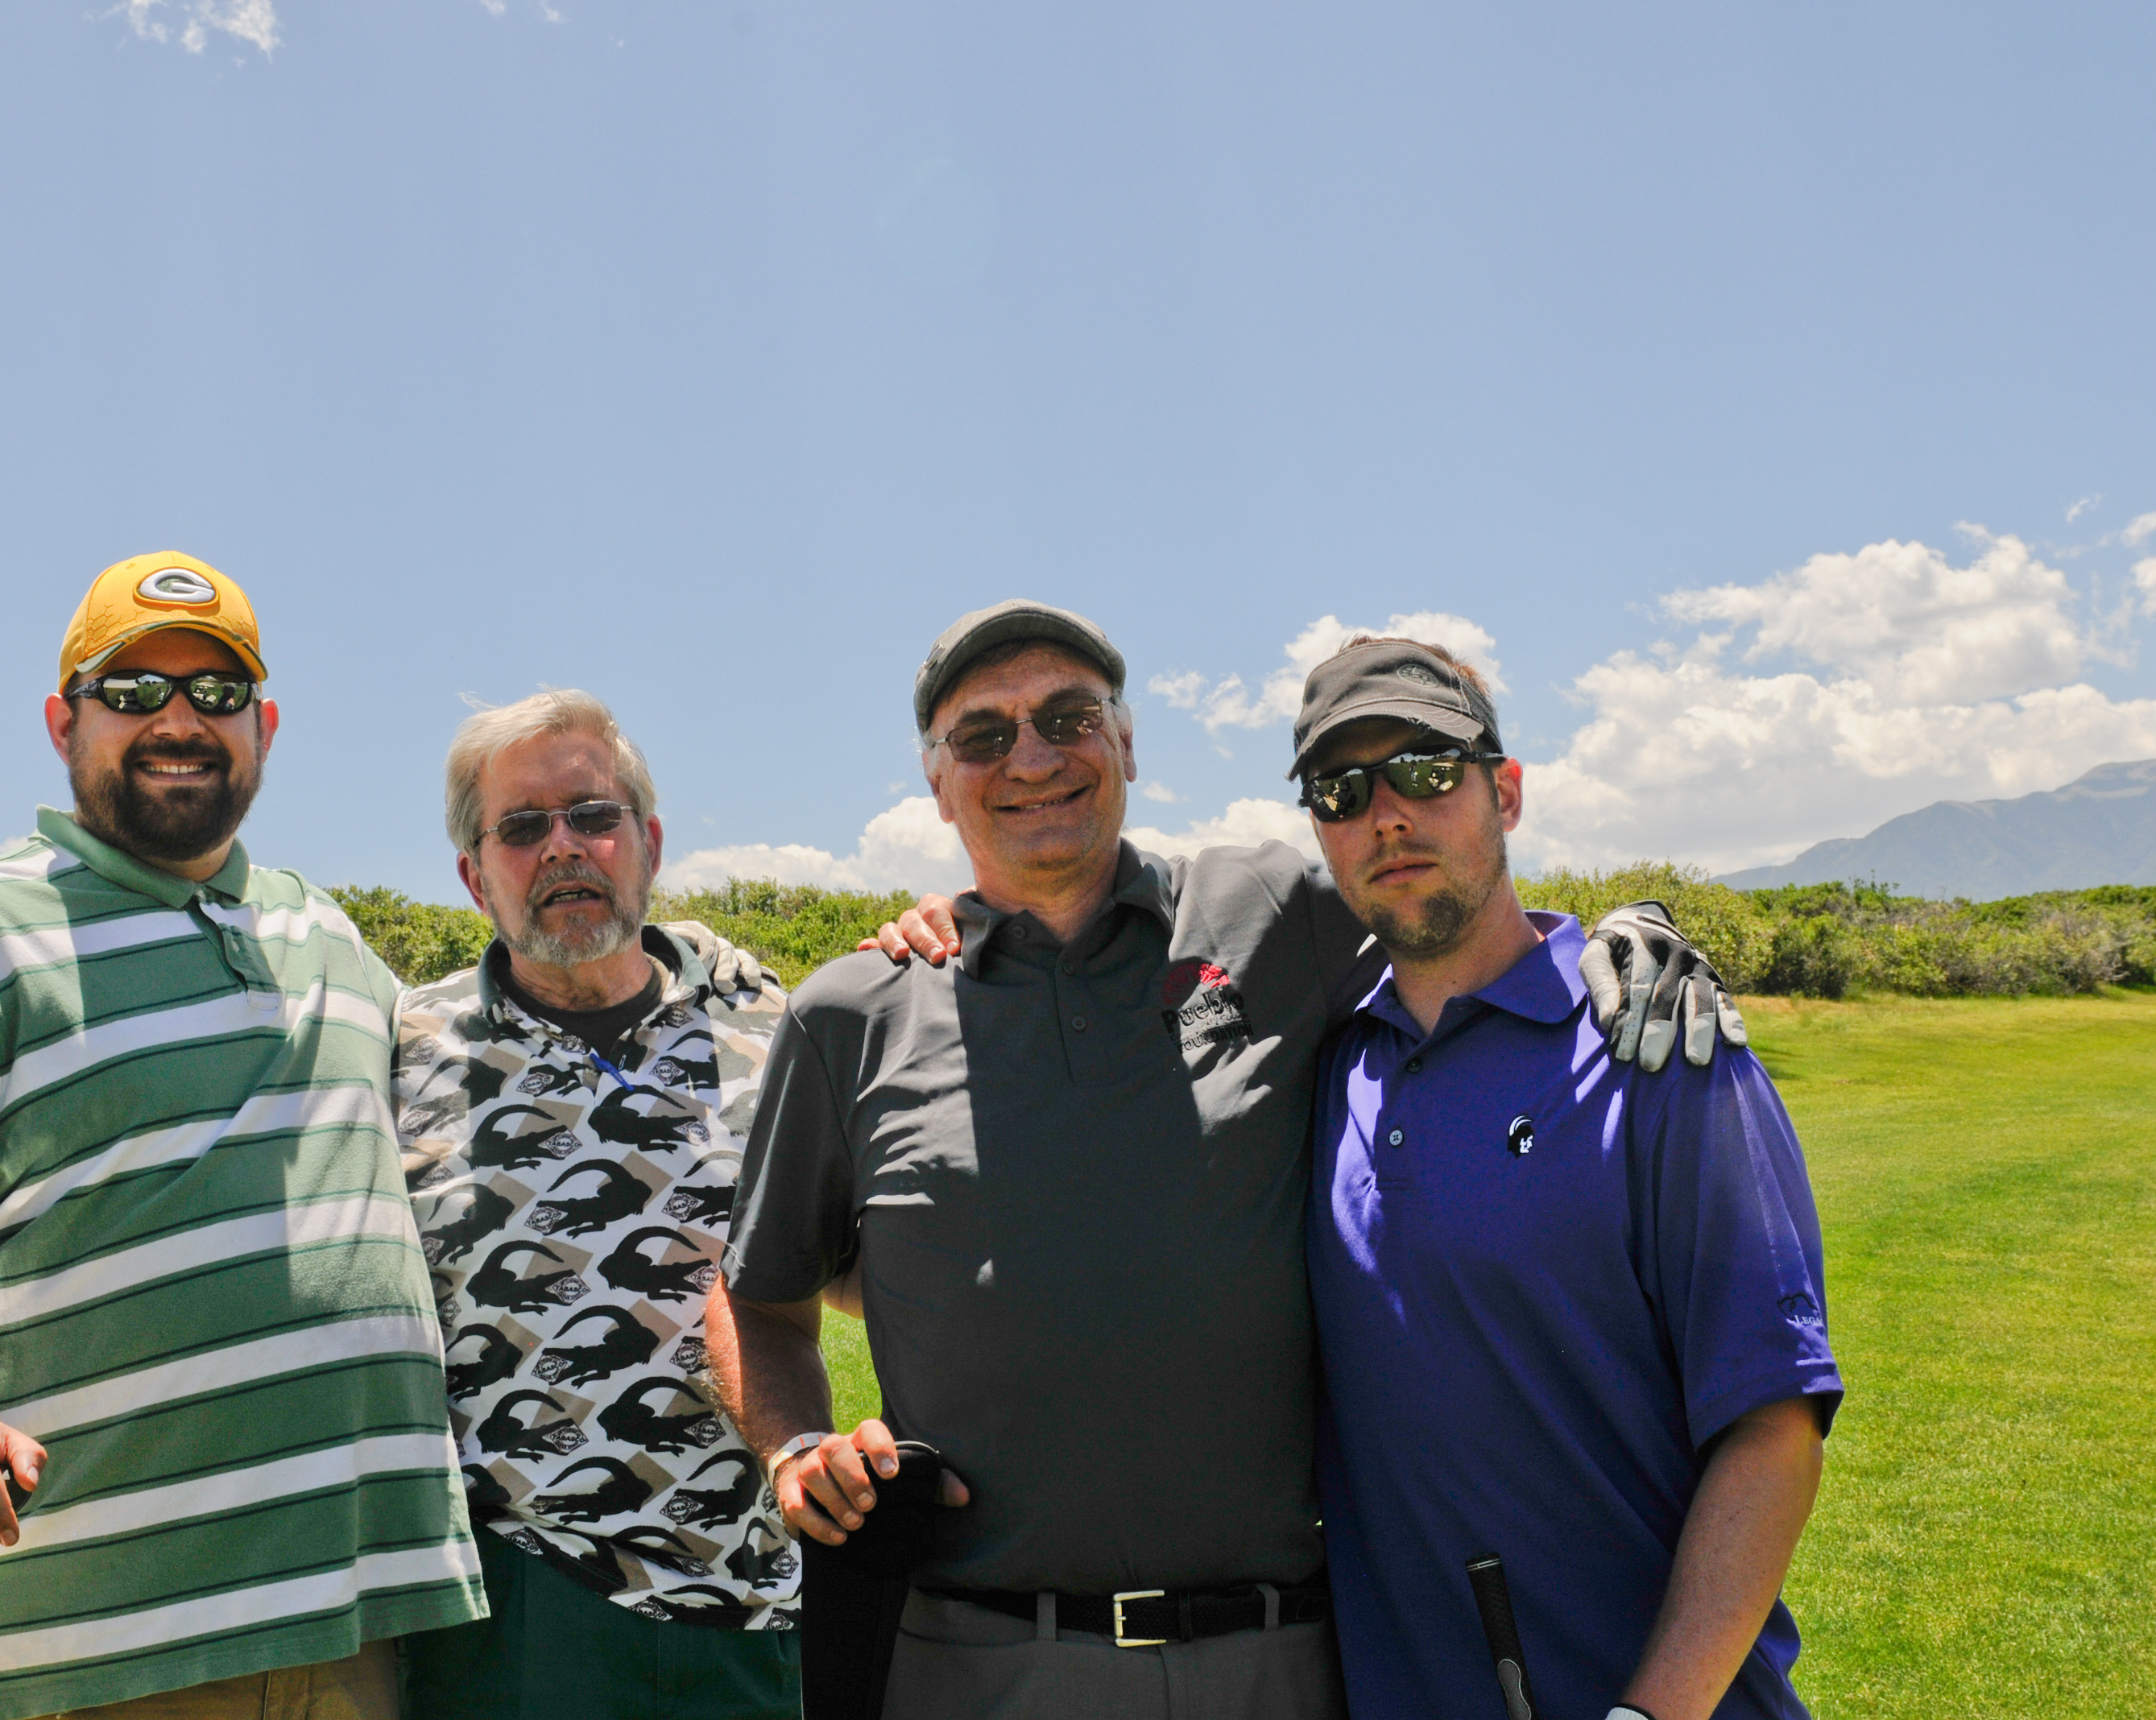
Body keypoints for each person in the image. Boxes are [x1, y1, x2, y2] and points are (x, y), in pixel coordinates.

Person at [704, 600, 1731, 1720]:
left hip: (1279, 1658)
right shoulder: (852, 1011)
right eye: (983, 737)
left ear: (1128, 742)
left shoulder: (1271, 911)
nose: (1033, 757)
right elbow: (761, 1298)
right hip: (978, 1661)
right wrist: (797, 1443)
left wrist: (1614, 935)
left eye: (1068, 716)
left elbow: (1454, 920)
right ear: (938, 780)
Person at [0, 553, 486, 1720]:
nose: (176, 720)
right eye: (131, 691)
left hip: (352, 1626)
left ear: (263, 727)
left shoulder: (328, 937)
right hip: (77, 1646)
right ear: (64, 723)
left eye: (214, 694)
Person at [1289, 635, 1842, 1720]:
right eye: (1342, 789)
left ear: (1508, 792)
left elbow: (1773, 1425)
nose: (1388, 814)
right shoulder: (1318, 1070)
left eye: (1429, 770)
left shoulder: (1662, 1054)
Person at [388, 689, 805, 1719]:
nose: (563, 846)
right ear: (473, 875)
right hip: (525, 1603)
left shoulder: (775, 1021)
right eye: (522, 828)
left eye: (593, 815)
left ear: (649, 842)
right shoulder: (399, 1049)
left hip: (764, 1581)